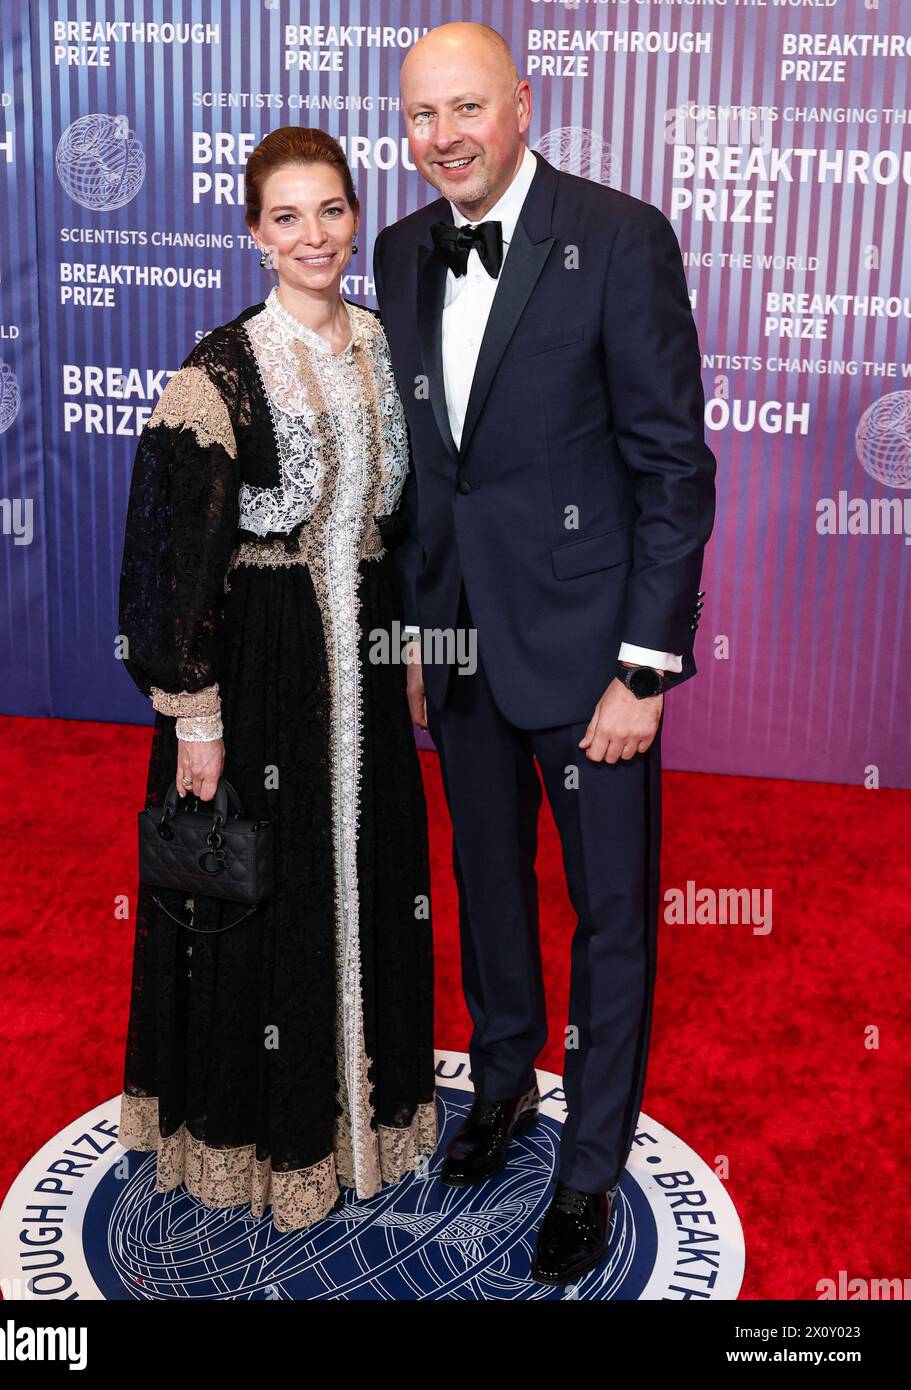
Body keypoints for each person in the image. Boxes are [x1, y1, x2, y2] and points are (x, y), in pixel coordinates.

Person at [373, 23, 716, 1284]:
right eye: (420, 116)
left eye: (466, 107)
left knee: (611, 914)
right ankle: (505, 1081)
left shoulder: (620, 237)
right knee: (487, 881)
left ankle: (591, 1162)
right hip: (461, 641)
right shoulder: (404, 249)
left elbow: (675, 467)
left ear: (523, 103)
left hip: (590, 659)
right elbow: (428, 480)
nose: (444, 136)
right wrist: (418, 631)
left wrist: (643, 669)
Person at [115, 126, 436, 1234]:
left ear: (356, 216)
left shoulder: (389, 347)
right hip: (257, 668)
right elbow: (168, 560)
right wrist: (195, 717)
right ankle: (262, 1133)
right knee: (265, 886)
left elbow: (400, 529)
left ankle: (371, 1116)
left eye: (333, 211)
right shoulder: (219, 369)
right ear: (253, 233)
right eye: (287, 216)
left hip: (366, 657)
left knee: (374, 869)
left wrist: (404, 667)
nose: (315, 236)